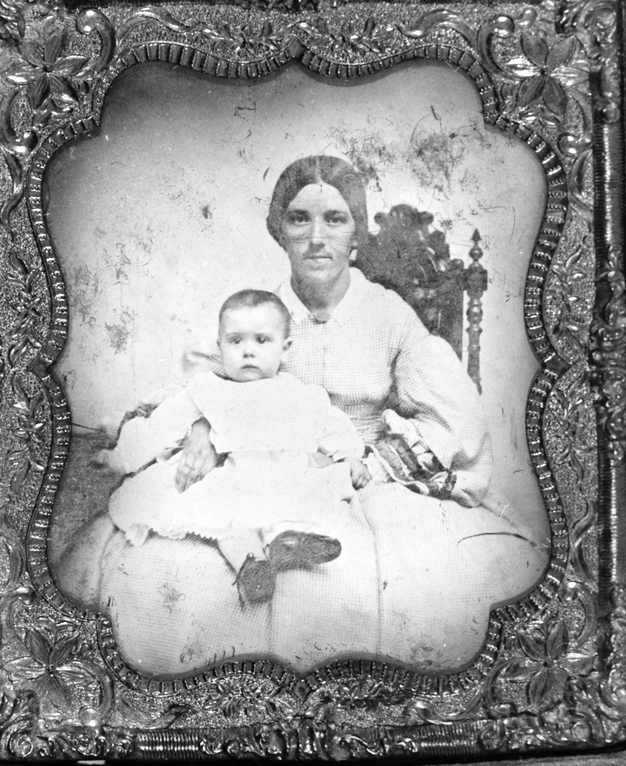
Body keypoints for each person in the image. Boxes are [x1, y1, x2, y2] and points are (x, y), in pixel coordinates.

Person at [53, 155, 550, 678]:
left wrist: (370, 465)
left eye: (334, 219)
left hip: (366, 474)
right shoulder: (261, 318)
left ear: (356, 234)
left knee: (412, 575)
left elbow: (449, 422)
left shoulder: (387, 314)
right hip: (257, 469)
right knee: (169, 571)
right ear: (280, 232)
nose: (316, 237)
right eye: (299, 219)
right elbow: (199, 388)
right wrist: (203, 429)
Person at [102, 289, 369, 604]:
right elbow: (160, 427)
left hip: (287, 478)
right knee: (230, 523)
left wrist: (350, 455)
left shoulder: (299, 393)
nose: (248, 351)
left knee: (304, 504)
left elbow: (331, 425)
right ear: (220, 347)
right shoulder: (209, 390)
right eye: (236, 341)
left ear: (285, 349)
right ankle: (252, 568)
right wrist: (121, 458)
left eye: (262, 340)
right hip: (237, 479)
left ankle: (288, 545)